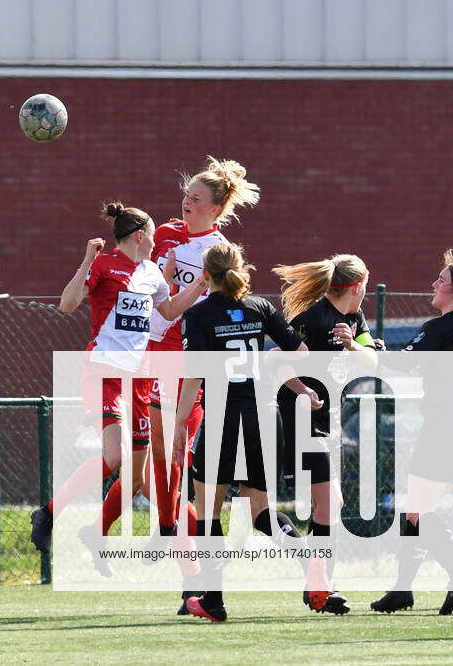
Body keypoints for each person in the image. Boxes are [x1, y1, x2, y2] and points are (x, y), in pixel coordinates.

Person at [98, 158, 260, 612]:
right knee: (149, 467)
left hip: (190, 369)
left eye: (195, 199)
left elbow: (221, 311)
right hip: (151, 361)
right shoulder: (165, 234)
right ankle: (187, 570)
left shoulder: (221, 252)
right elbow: (147, 291)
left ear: (217, 207)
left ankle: (186, 565)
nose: (185, 203)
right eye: (185, 195)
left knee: (170, 467)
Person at [29, 202, 205, 558]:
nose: (156, 243)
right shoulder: (106, 264)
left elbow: (168, 311)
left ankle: (147, 533)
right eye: (153, 236)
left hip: (139, 380)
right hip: (105, 372)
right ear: (140, 236)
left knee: (137, 479)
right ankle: (48, 514)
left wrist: (199, 285)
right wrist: (86, 261)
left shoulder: (151, 273)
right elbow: (67, 304)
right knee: (114, 456)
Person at [172, 242, 333, 622]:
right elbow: (301, 351)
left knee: (209, 513)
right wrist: (292, 381)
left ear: (205, 275)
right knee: (260, 510)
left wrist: (179, 423)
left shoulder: (198, 316)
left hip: (225, 418)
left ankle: (212, 601)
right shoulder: (259, 307)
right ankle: (308, 556)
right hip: (264, 415)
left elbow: (194, 376)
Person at [271, 254, 381, 614]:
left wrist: (354, 345)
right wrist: (302, 389)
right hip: (301, 415)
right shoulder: (313, 319)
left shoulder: (354, 318)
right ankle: (322, 585)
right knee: (330, 502)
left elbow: (372, 361)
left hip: (328, 417)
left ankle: (317, 584)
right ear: (358, 285)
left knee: (329, 504)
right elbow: (277, 359)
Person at [371, 248, 453, 615]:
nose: (434, 284)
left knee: (417, 512)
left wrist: (364, 345)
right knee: (418, 510)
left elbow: (401, 363)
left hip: (442, 428)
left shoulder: (439, 328)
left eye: (442, 280)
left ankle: (411, 588)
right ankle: (404, 590)